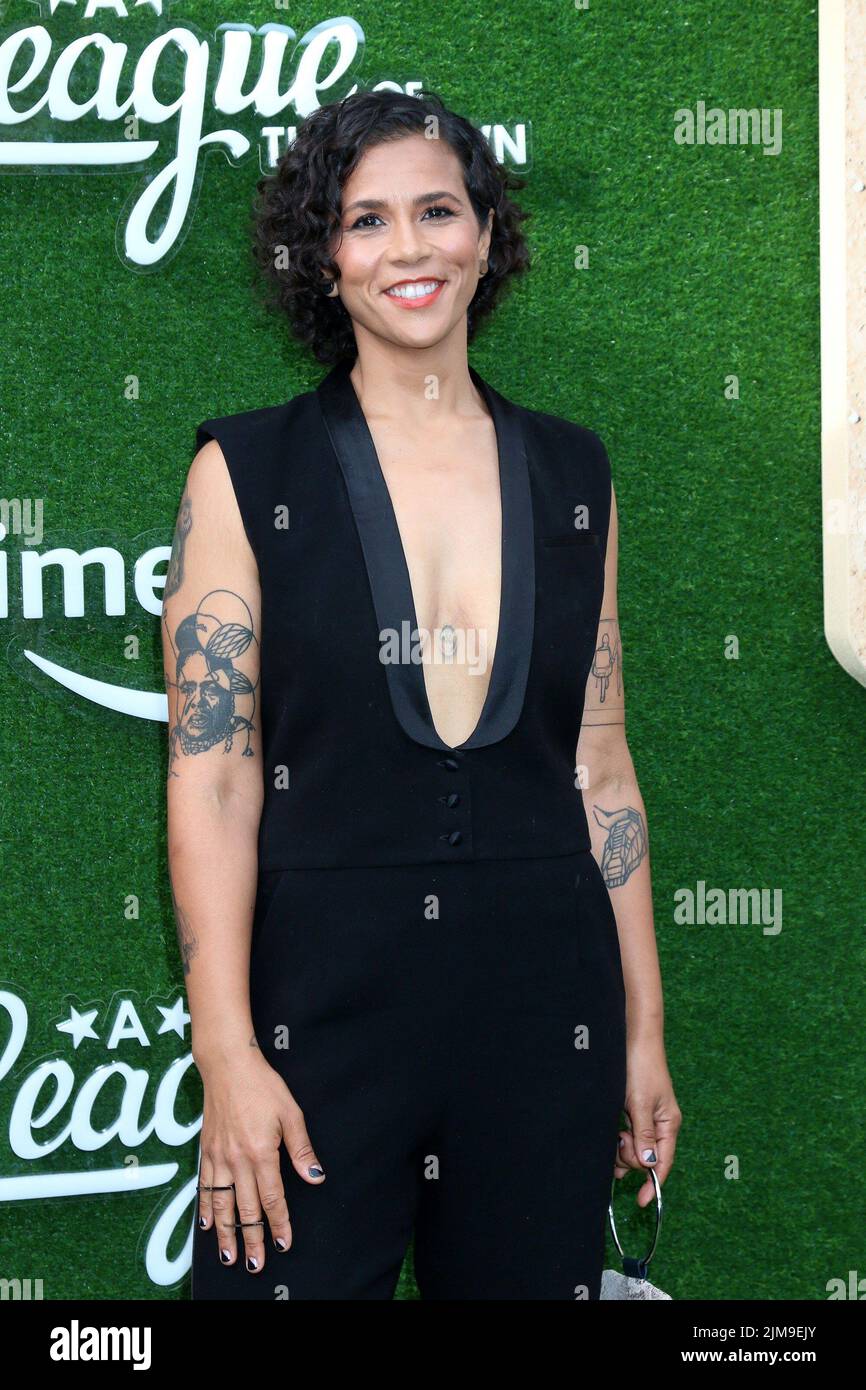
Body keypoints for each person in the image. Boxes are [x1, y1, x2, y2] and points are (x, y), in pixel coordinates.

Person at [161, 87, 681, 1301]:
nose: (408, 248)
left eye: (438, 211)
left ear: (486, 235)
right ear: (321, 258)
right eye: (365, 220)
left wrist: (640, 1031)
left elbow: (600, 771)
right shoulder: (243, 470)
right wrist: (226, 1051)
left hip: (540, 1012)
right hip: (315, 1018)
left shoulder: (574, 472)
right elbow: (215, 777)